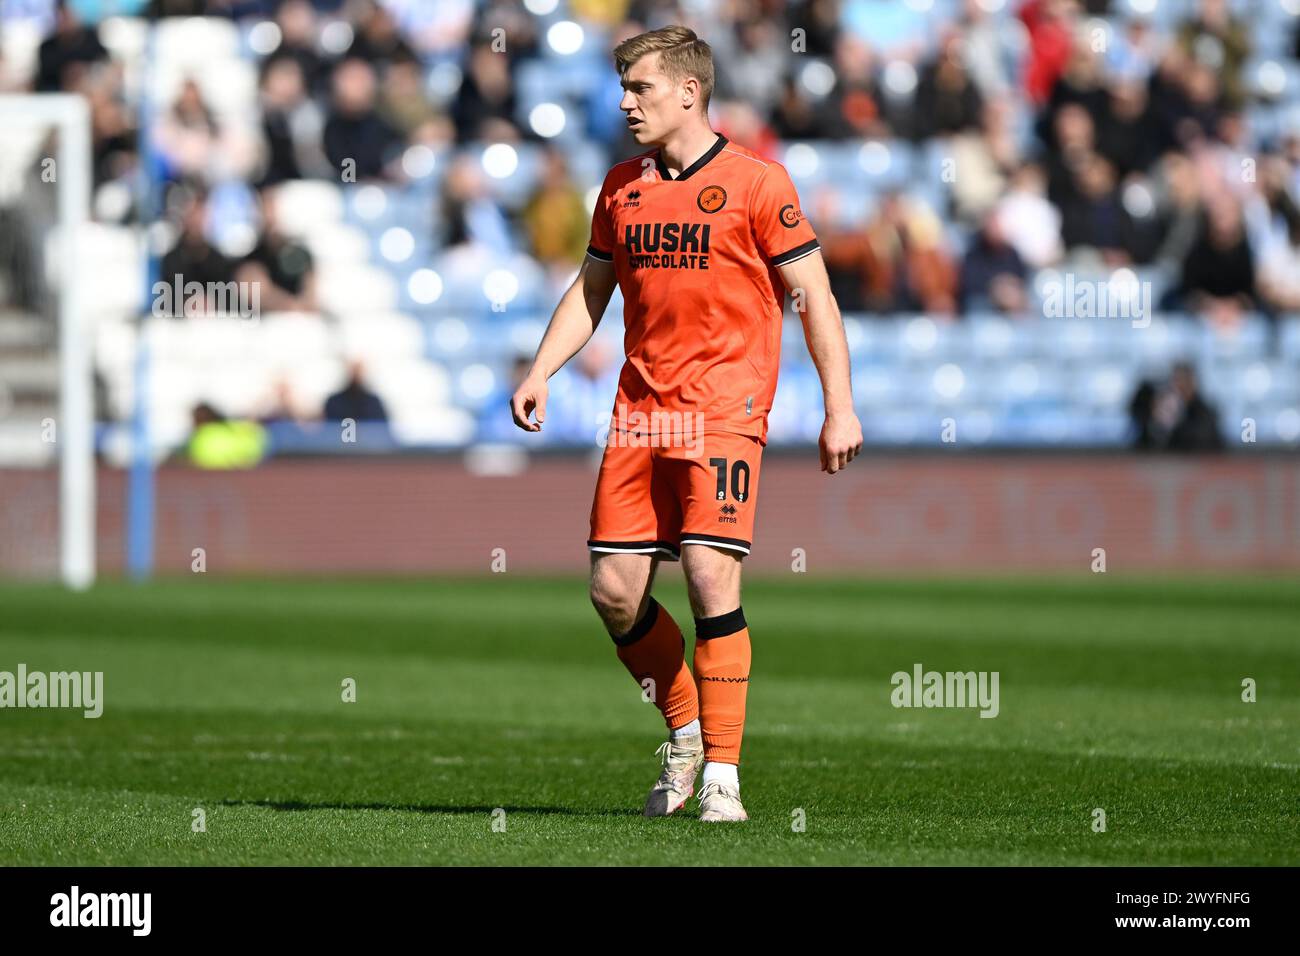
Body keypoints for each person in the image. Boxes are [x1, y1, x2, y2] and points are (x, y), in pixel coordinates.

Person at [509, 26, 862, 823]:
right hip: (640, 413)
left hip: (725, 411)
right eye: (624, 89)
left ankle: (724, 780)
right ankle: (686, 731)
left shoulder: (757, 184)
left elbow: (817, 298)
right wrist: (540, 370)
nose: (625, 103)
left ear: (689, 92)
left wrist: (839, 404)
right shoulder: (620, 187)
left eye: (640, 89)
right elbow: (590, 291)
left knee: (709, 574)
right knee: (612, 590)